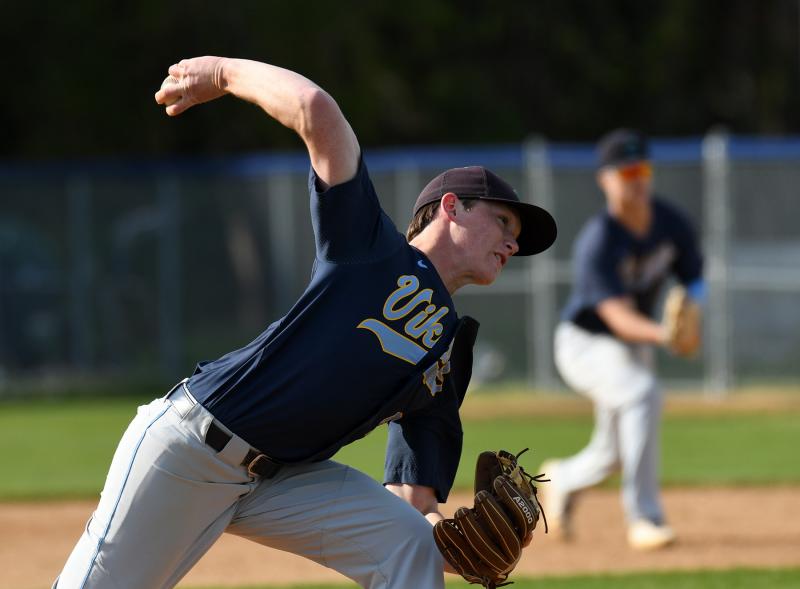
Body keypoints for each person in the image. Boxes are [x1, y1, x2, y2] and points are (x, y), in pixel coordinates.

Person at [54, 56, 557, 589]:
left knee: (412, 548)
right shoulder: (371, 248)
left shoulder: (447, 349)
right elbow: (316, 111)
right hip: (195, 448)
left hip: (284, 482)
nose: (512, 243)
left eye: (516, 238)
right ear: (451, 207)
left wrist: (458, 545)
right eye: (503, 221)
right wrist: (221, 74)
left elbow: (412, 501)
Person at [540, 129, 704, 550]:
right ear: (605, 180)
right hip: (586, 343)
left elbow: (694, 279)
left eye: (642, 170)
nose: (636, 179)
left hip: (634, 343)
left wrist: (695, 316)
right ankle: (644, 516)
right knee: (643, 393)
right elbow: (617, 317)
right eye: (626, 172)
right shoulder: (599, 240)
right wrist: (667, 335)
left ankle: (562, 480)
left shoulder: (671, 223)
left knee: (615, 451)